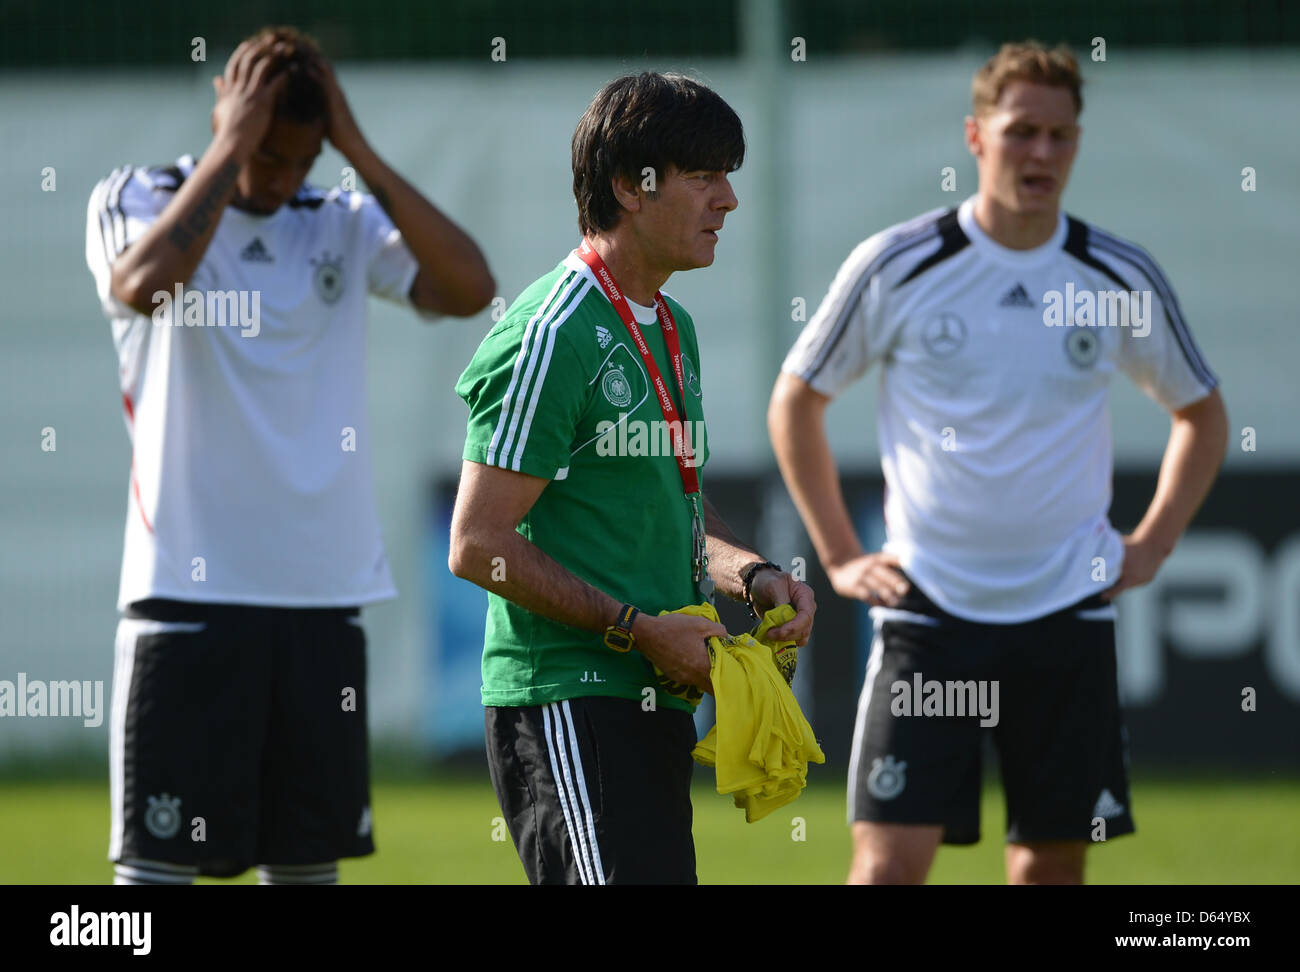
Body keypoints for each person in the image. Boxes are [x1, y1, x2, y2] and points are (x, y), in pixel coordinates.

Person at [768, 41, 1227, 885]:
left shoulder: (1115, 274)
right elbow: (796, 399)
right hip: (929, 611)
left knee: (1047, 869)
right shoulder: (901, 263)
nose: (1042, 154)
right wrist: (836, 552)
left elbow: (1200, 411)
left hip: (1068, 610)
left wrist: (1154, 542)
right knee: (886, 867)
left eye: (1060, 135)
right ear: (976, 137)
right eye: (1022, 133)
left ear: (1078, 145)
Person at [85, 26, 494, 884]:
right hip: (185, 596)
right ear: (223, 117)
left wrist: (358, 151)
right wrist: (233, 144)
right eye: (263, 154)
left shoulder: (338, 219)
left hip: (321, 599)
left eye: (298, 160)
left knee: (308, 870)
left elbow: (469, 287)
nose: (278, 178)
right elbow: (142, 287)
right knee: (155, 873)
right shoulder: (138, 195)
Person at [449, 72, 816, 885]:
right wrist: (635, 628)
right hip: (569, 697)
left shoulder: (672, 325)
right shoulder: (551, 331)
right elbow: (478, 545)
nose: (727, 200)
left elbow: (671, 509)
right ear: (630, 186)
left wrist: (749, 574)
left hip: (650, 695)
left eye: (729, 176)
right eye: (703, 176)